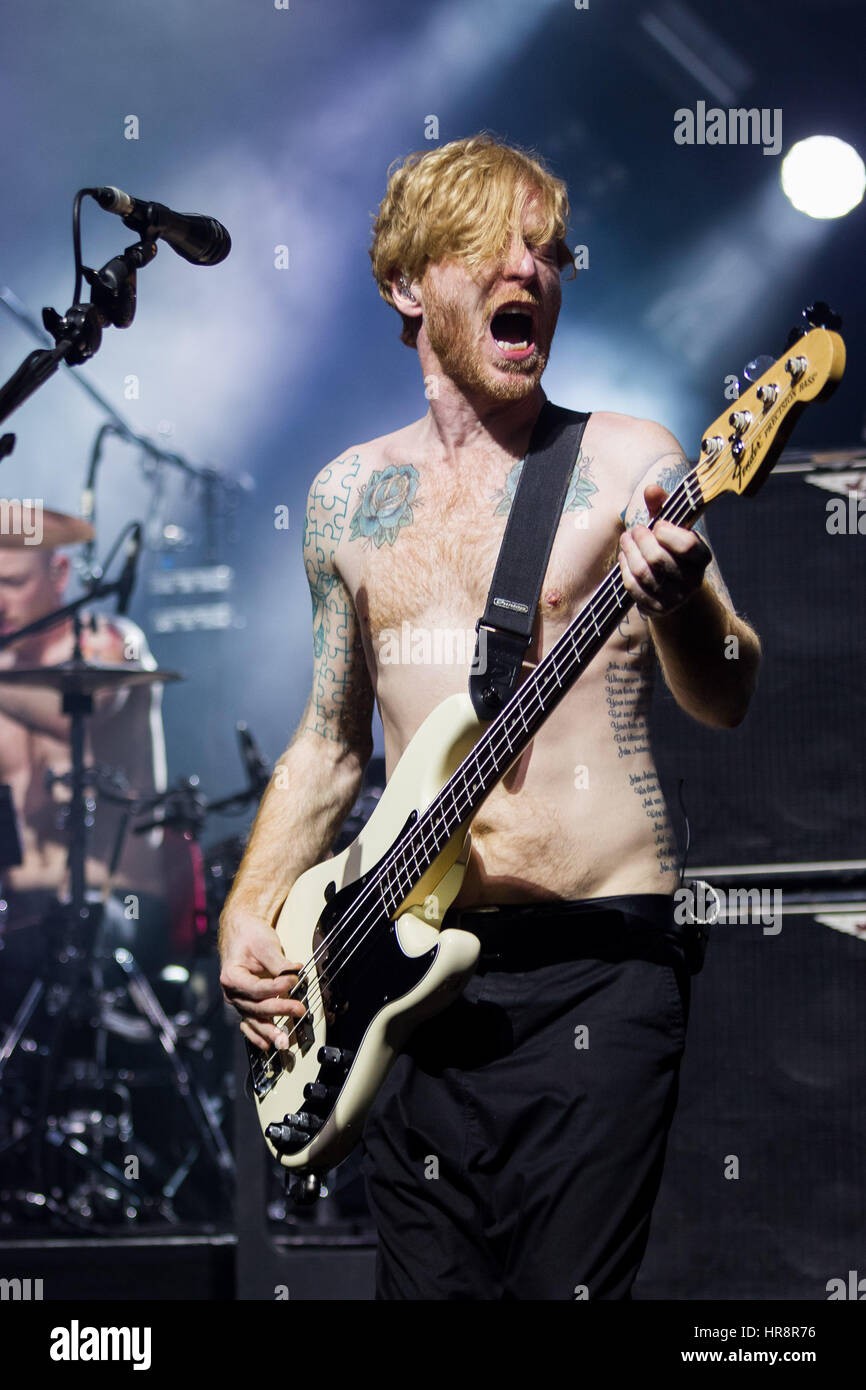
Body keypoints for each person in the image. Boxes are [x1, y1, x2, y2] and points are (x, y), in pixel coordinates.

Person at [219, 134, 761, 1299]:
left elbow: (726, 692)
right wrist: (249, 912)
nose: (531, 269)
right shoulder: (345, 500)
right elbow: (327, 742)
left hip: (597, 969)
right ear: (407, 284)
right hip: (408, 992)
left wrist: (678, 609)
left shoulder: (629, 461)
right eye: (489, 245)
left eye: (547, 249)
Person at [0, 544, 168, 961]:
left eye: (14, 582)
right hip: (16, 909)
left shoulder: (112, 641)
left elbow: (81, 712)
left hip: (118, 902)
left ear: (60, 573)